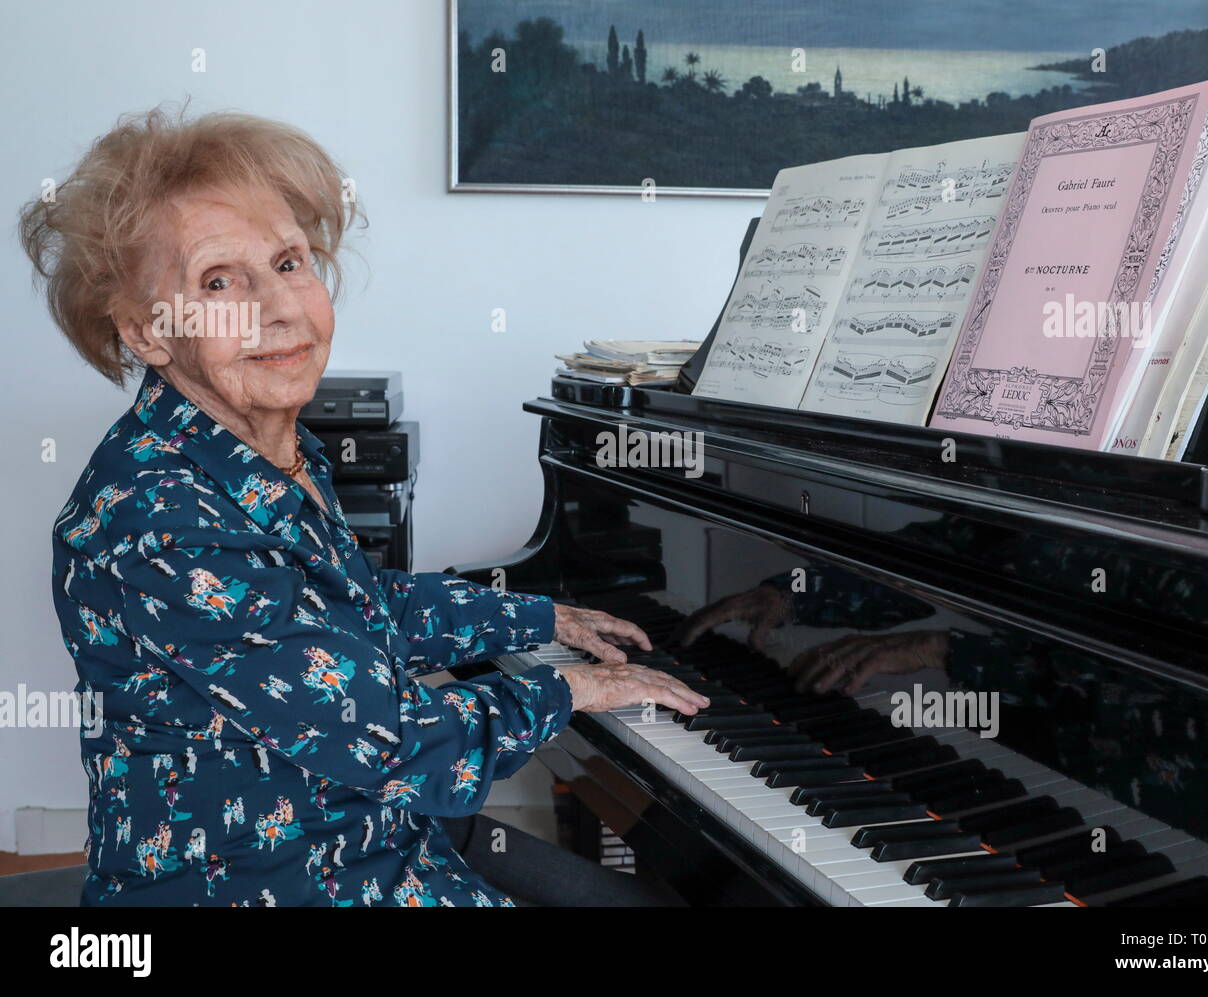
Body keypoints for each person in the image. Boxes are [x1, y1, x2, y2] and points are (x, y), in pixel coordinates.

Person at [23, 105, 707, 906]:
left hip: (366, 837)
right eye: (219, 281)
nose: (279, 308)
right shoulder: (157, 516)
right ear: (146, 331)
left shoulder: (262, 450)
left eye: (289, 261)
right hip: (267, 880)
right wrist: (575, 690)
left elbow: (344, 612)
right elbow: (394, 737)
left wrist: (538, 621)